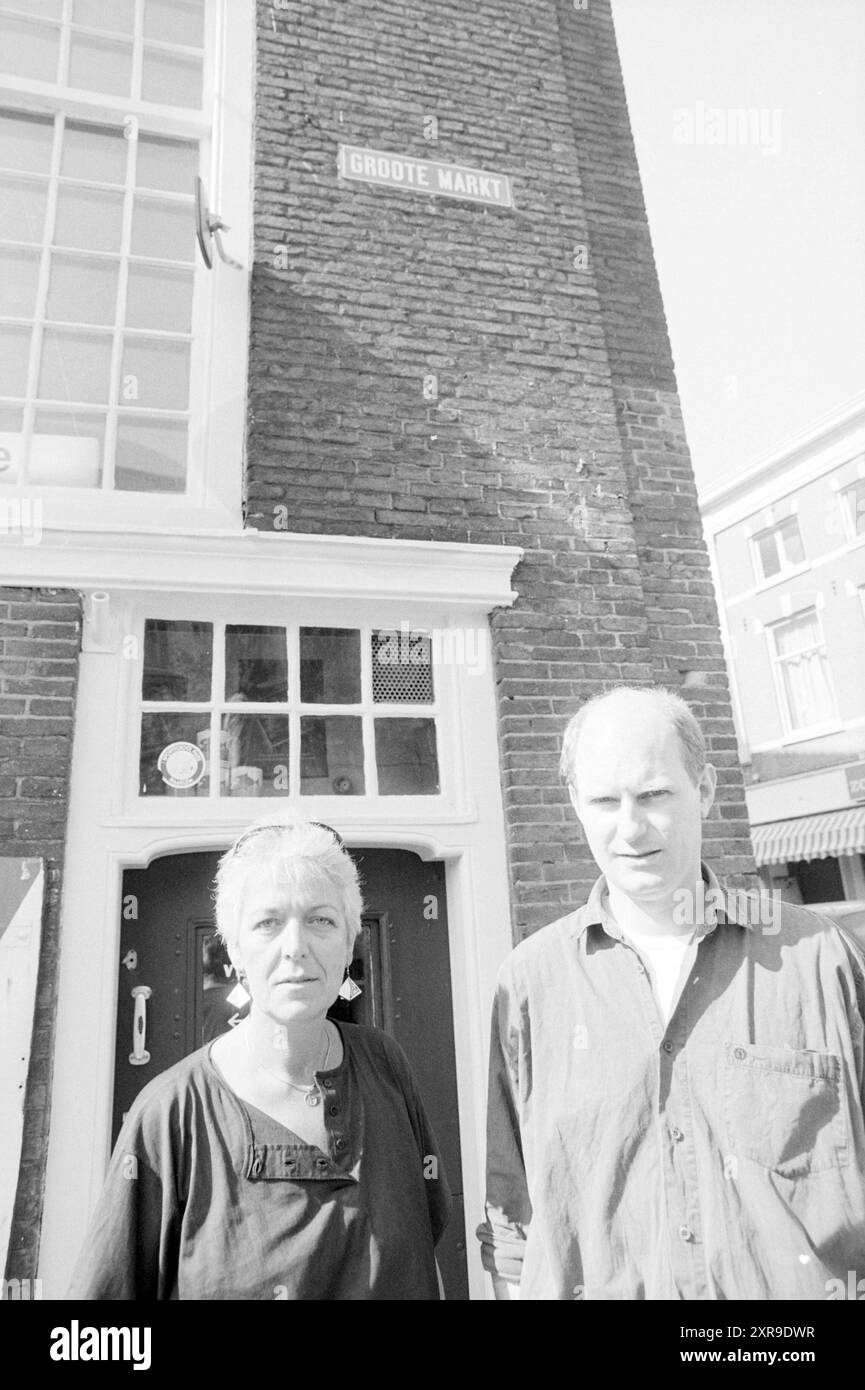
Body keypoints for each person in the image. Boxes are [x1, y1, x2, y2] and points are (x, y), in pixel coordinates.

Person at [477, 686, 865, 1300]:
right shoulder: (530, 984)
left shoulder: (819, 961)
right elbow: (514, 1223)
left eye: (654, 794)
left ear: (705, 790)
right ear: (577, 804)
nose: (630, 828)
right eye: (605, 800)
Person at [71, 817, 451, 1299]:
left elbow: (424, 1254)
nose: (296, 947)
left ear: (350, 941)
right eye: (269, 923)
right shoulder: (172, 1113)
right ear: (234, 949)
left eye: (321, 920)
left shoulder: (386, 1068)